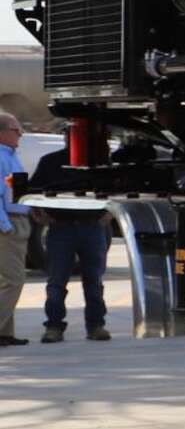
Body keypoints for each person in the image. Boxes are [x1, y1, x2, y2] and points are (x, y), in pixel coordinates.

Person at [27, 146, 109, 342]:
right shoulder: (51, 161)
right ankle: (54, 327)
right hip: (61, 228)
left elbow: (116, 188)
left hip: (92, 227)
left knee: (94, 281)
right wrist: (38, 213)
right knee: (57, 281)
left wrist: (110, 212)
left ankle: (96, 326)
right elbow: (33, 190)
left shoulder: (101, 163)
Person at [0, 113, 27, 348]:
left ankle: (6, 333)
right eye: (15, 129)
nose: (20, 134)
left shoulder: (10, 156)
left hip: (18, 218)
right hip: (8, 223)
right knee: (14, 280)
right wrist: (5, 226)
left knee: (5, 281)